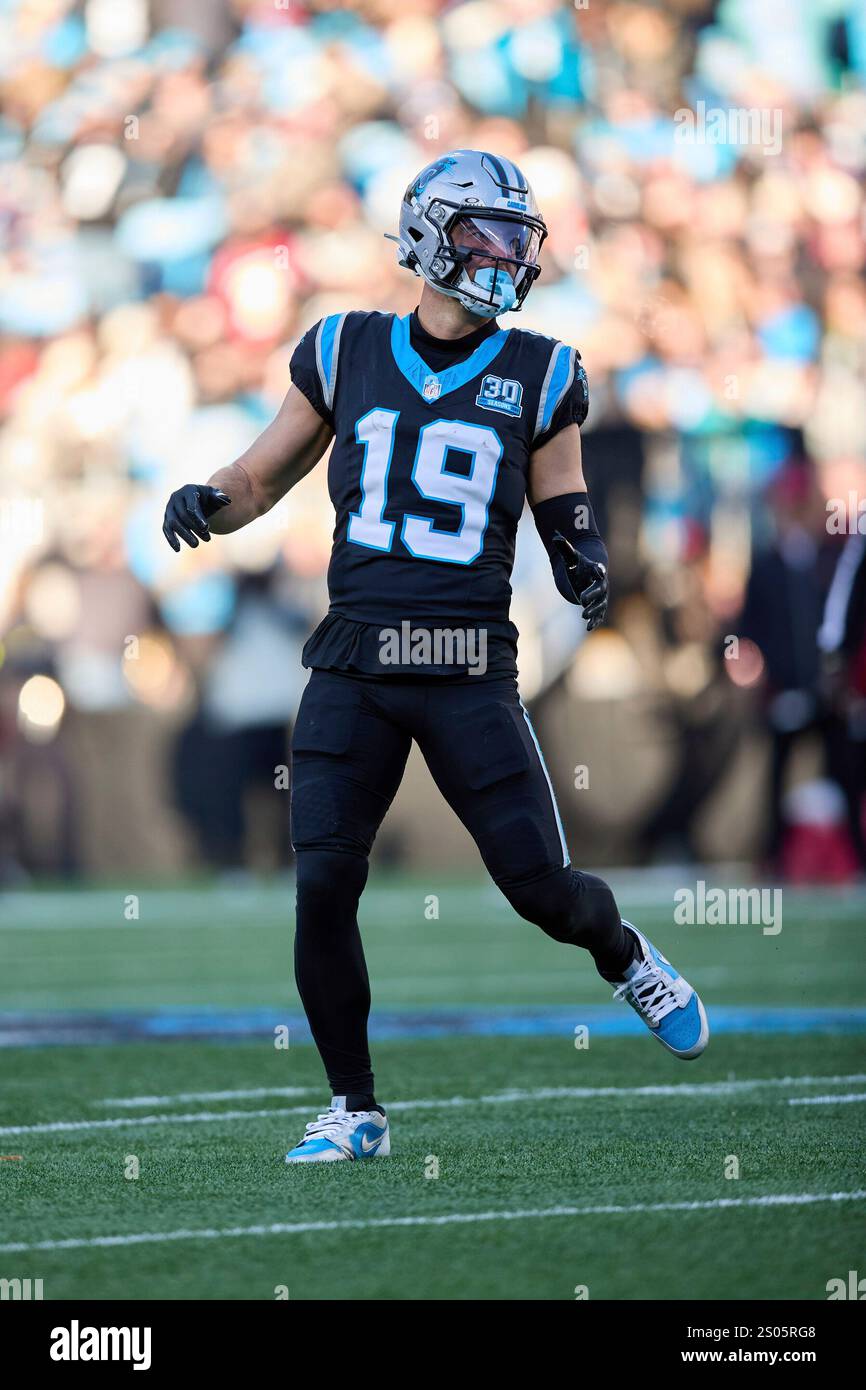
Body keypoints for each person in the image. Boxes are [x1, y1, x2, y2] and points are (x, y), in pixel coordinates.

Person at [163, 150, 708, 1164]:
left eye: (515, 237)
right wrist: (208, 501)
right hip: (355, 661)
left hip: (464, 663)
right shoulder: (343, 347)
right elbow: (259, 474)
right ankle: (353, 1106)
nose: (503, 256)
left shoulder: (541, 370)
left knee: (542, 889)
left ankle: (624, 953)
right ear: (425, 236)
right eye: (482, 234)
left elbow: (567, 506)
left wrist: (584, 561)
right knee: (323, 880)